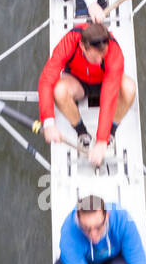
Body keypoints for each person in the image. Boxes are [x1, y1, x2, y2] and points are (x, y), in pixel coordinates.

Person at [38, 20, 135, 167]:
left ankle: (111, 131)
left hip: (105, 82)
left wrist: (101, 141)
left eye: (102, 57)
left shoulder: (114, 52)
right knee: (58, 91)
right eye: (95, 57)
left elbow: (108, 97)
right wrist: (48, 122)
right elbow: (46, 79)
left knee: (129, 88)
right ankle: (81, 131)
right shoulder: (70, 40)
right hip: (78, 82)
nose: (99, 61)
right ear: (83, 46)